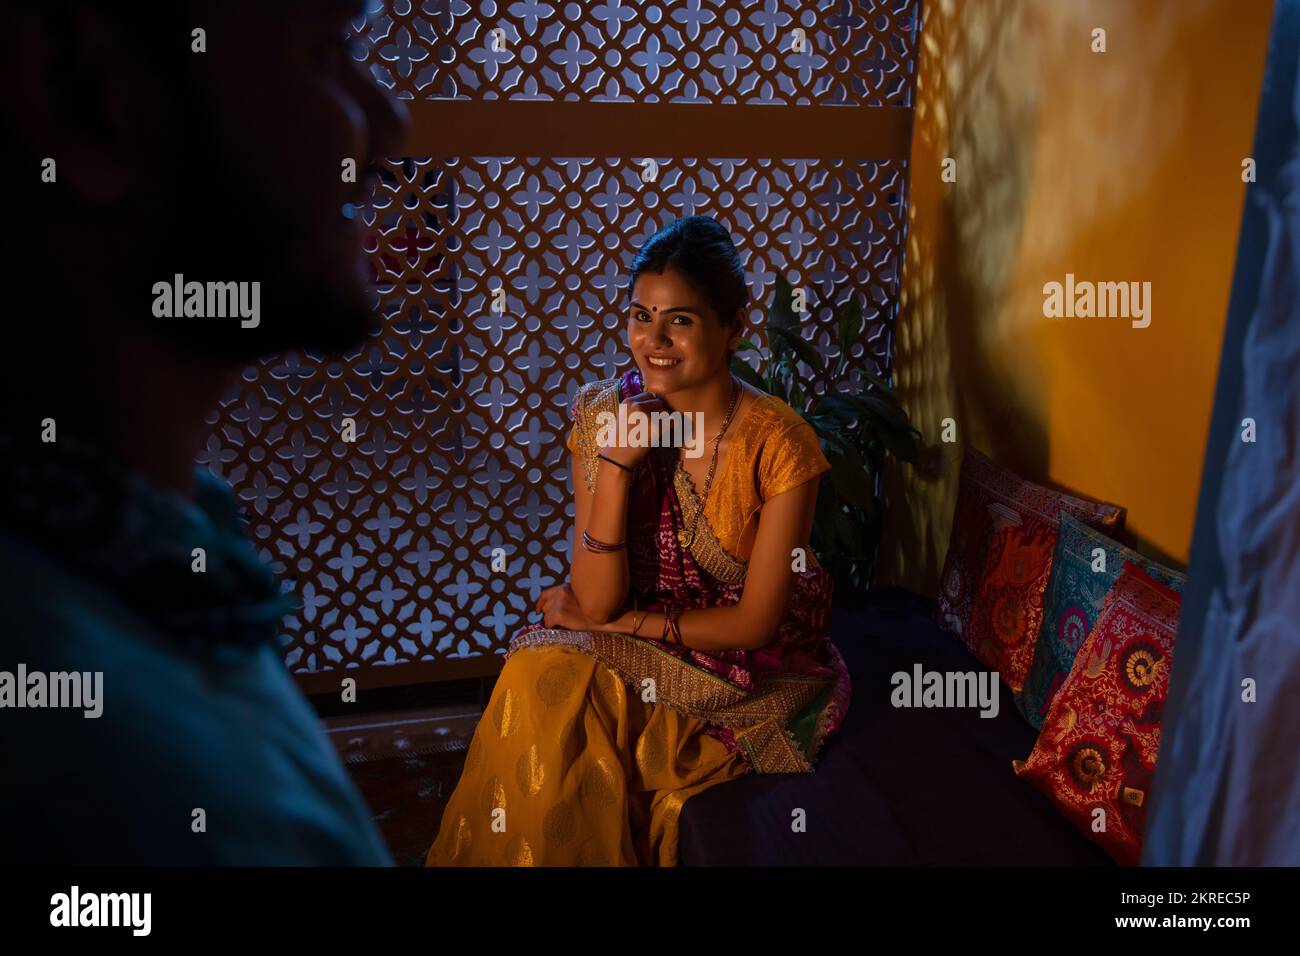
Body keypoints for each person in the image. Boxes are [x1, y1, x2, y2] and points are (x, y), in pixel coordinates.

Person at [0, 0, 409, 863]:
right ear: (86, 97)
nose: (387, 121)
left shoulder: (144, 548)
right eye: (327, 51)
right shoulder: (116, 779)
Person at [427, 216, 852, 867]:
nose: (652, 340)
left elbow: (756, 622)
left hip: (749, 672)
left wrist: (624, 623)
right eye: (639, 315)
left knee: (561, 690)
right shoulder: (605, 416)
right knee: (538, 677)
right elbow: (592, 602)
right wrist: (620, 464)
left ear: (733, 328)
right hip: (645, 638)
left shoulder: (778, 443)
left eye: (679, 320)